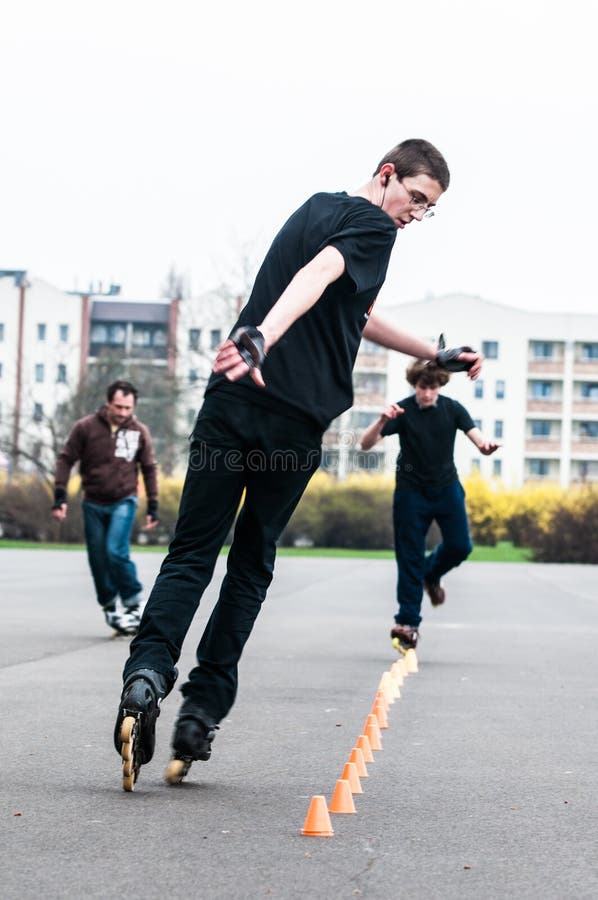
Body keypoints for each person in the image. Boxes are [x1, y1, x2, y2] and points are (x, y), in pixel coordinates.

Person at [113, 138, 484, 791]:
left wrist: (437, 352)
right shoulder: (372, 225)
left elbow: (356, 314)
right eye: (416, 199)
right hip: (289, 420)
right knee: (251, 564)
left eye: (428, 211)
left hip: (229, 404)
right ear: (387, 174)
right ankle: (200, 713)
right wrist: (263, 337)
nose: (414, 217)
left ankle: (145, 676)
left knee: (191, 553)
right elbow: (314, 279)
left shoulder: (316, 208)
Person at [360, 358, 500, 653]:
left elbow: (477, 438)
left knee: (461, 546)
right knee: (409, 557)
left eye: (432, 388)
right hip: (411, 493)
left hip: (447, 489)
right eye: (422, 388)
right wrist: (382, 420)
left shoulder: (453, 409)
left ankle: (431, 573)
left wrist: (485, 446)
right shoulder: (402, 410)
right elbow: (365, 444)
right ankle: (407, 624)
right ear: (415, 385)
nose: (426, 394)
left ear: (440, 386)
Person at [51, 380, 159, 636]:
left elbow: (149, 468)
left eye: (128, 408)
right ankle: (110, 606)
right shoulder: (85, 428)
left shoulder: (138, 431)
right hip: (93, 502)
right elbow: (65, 459)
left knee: (115, 550)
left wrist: (153, 504)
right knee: (97, 558)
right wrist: (59, 497)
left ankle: (133, 602)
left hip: (124, 499)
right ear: (108, 402)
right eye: (118, 407)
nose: (123, 413)